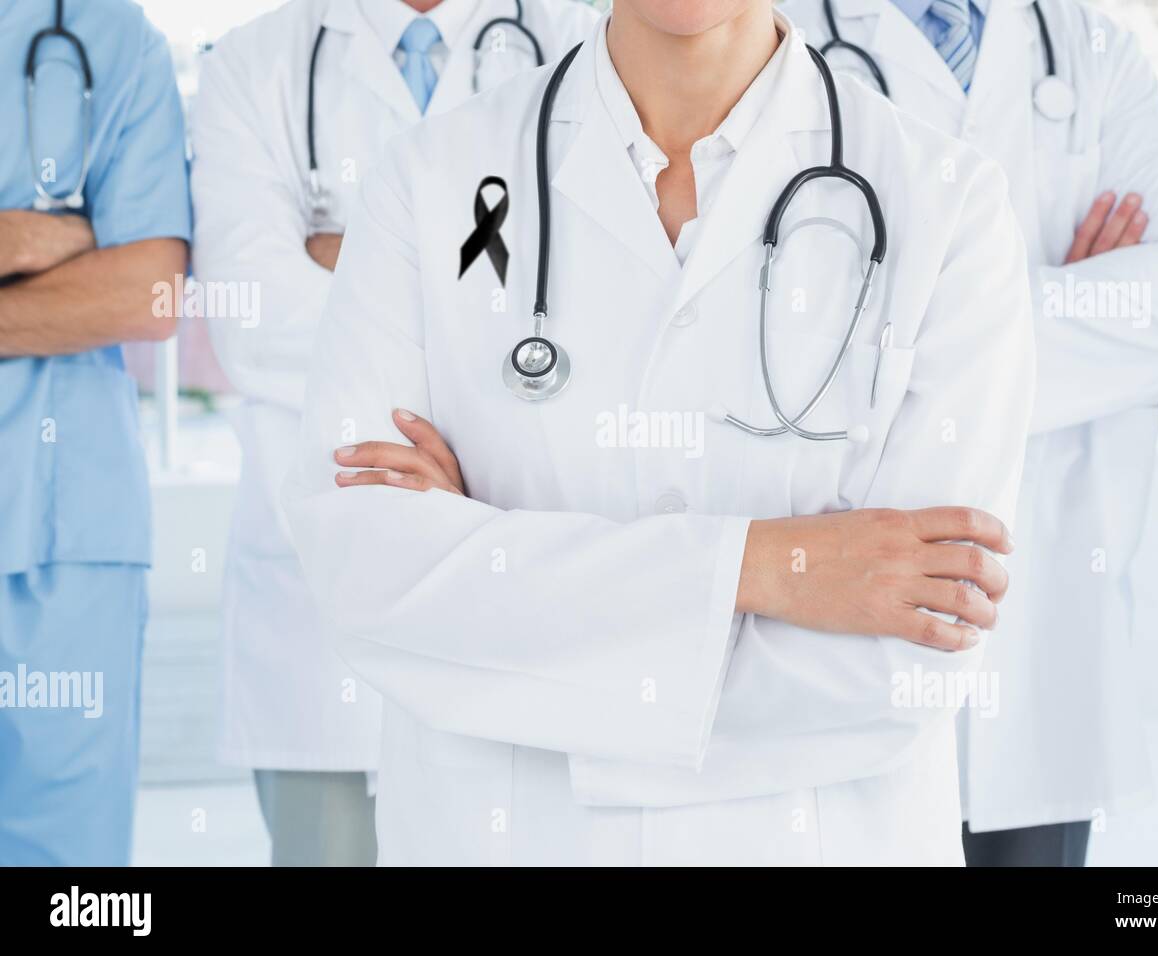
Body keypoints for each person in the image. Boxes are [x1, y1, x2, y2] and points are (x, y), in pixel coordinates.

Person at [282, 0, 1036, 866]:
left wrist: (494, 599)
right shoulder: (429, 180)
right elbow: (370, 570)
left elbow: (909, 660)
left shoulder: (948, 205)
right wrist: (769, 567)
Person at [778, 0, 1158, 864]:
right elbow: (789, 349)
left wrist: (911, 332)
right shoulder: (779, 40)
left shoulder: (1093, 51)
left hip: (1047, 644)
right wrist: (1072, 303)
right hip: (848, 646)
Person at [190, 0, 598, 867]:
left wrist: (351, 257)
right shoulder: (252, 65)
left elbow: (599, 302)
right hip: (316, 597)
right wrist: (487, 310)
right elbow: (252, 318)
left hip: (524, 573)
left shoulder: (577, 43)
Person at [0, 0, 190, 865]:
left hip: (66, 533)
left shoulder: (113, 40)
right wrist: (71, 243)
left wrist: (115, 268)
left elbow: (146, 295)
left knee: (71, 885)